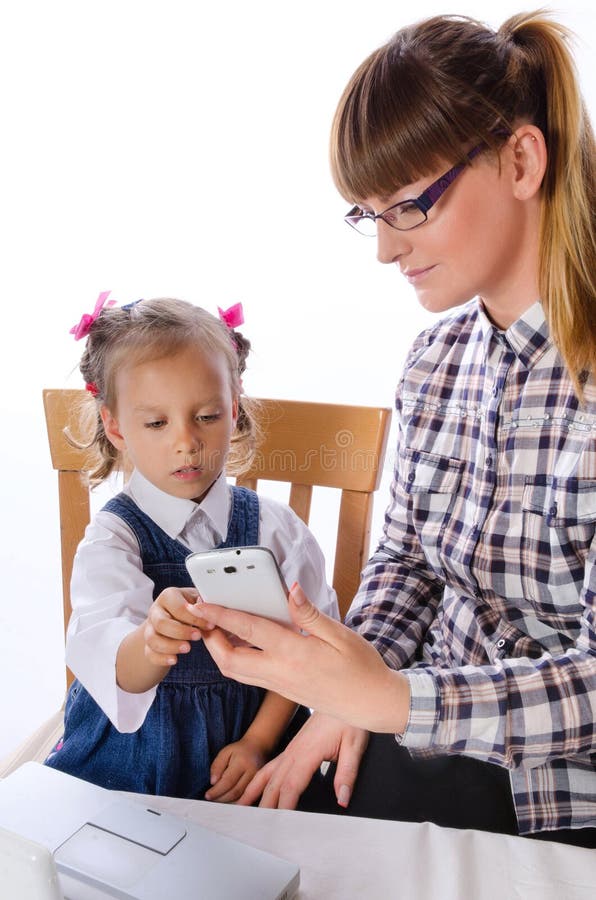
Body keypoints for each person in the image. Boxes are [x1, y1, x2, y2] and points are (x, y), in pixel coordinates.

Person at [189, 11, 596, 847]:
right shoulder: (434, 362)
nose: (383, 249)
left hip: (556, 793)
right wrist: (344, 695)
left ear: (521, 160)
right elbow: (408, 563)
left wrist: (389, 701)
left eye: (408, 206)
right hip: (423, 733)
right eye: (366, 213)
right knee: (221, 825)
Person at [45, 295, 338, 800]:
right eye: (157, 424)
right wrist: (153, 641)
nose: (186, 442)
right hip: (133, 762)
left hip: (250, 748)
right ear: (115, 425)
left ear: (234, 408)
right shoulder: (114, 540)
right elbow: (119, 671)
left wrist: (258, 743)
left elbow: (311, 653)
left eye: (206, 415)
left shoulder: (275, 528)